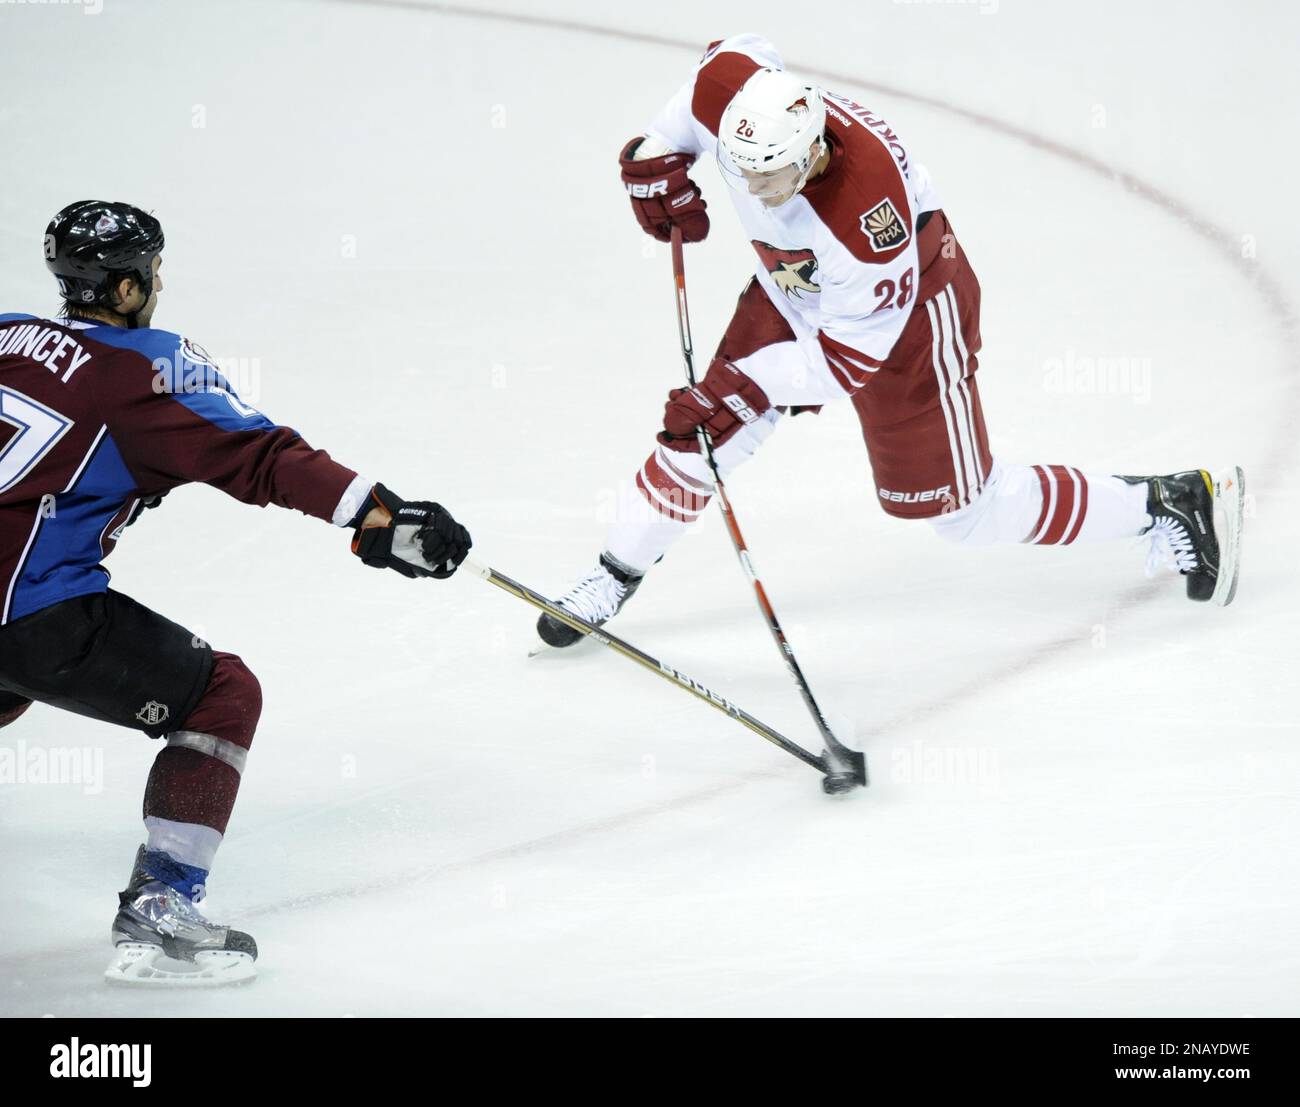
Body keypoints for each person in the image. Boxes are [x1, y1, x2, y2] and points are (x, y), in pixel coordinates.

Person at [536, 33, 1243, 647]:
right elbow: (707, 83)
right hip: (797, 286)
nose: (751, 186)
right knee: (702, 432)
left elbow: (840, 365)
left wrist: (741, 383)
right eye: (738, 167)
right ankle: (613, 572)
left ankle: (1167, 500)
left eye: (769, 174)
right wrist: (659, 154)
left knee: (964, 512)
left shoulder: (866, 223)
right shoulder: (743, 100)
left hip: (905, 318)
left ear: (812, 151)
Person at [0, 200, 472, 985]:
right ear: (124, 289)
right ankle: (160, 909)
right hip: (30, 613)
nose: (156, 284)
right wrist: (379, 514)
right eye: (150, 272)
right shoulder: (145, 368)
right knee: (221, 692)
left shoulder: (7, 333)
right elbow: (258, 454)